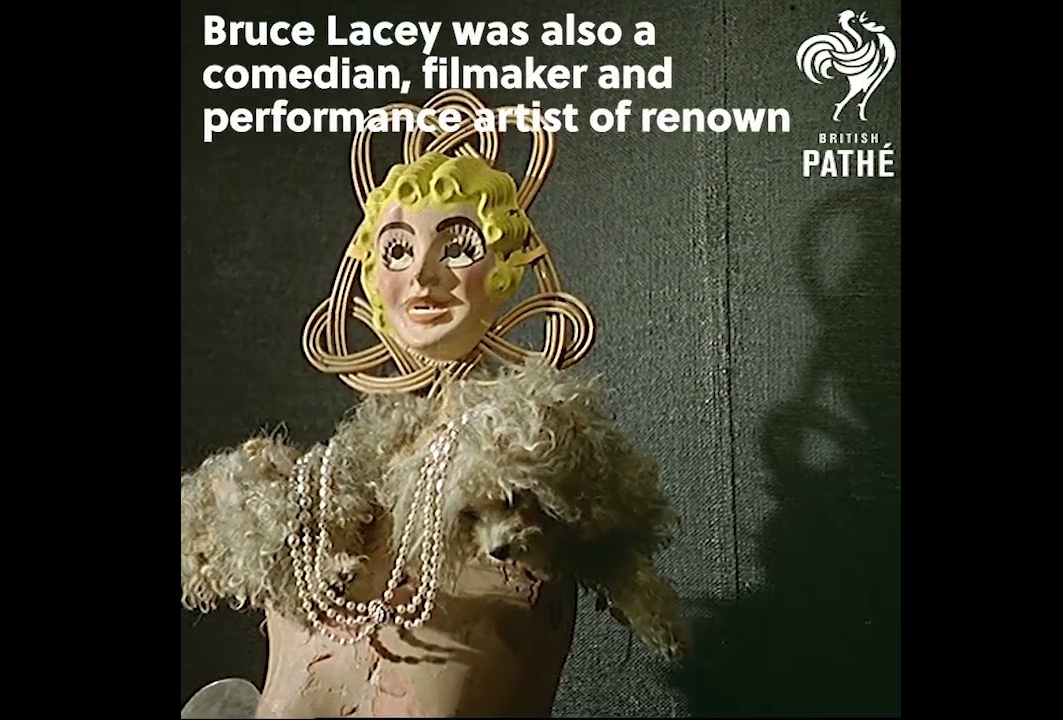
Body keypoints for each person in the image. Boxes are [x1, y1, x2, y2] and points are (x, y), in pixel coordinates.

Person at [181, 91, 685, 718]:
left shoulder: (526, 474)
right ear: (372, 274)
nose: (423, 274)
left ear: (503, 268)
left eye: (458, 247)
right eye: (397, 250)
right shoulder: (314, 496)